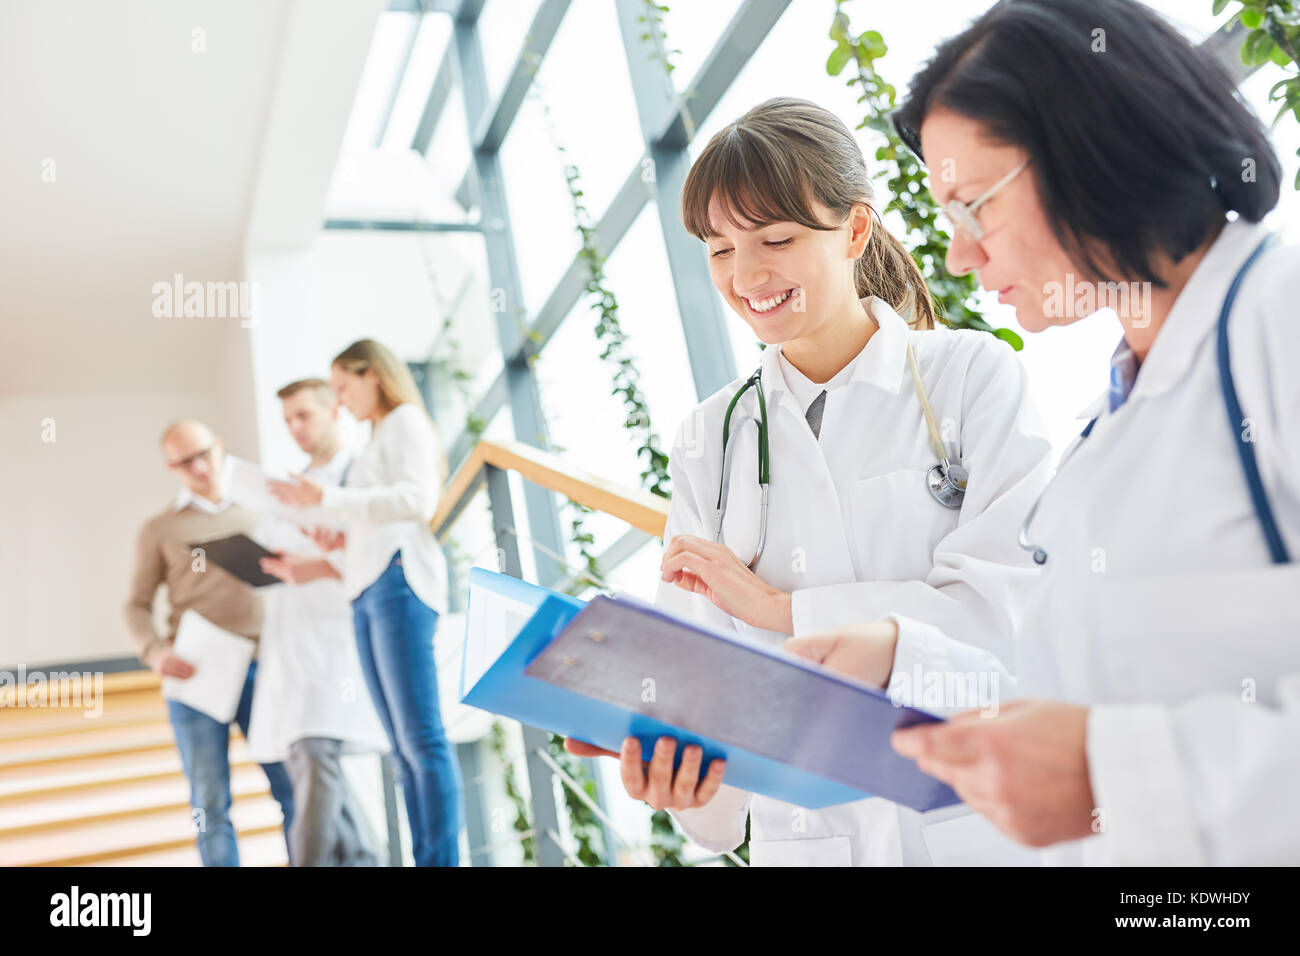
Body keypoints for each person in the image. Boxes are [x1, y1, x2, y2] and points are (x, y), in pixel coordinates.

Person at [800, 0, 1300, 865]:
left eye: (972, 207)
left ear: (1092, 149)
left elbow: (1114, 758)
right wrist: (903, 663)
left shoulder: (1277, 315)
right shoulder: (1112, 426)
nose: (959, 255)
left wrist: (1121, 778)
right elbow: (1074, 706)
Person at [569, 97, 1054, 865]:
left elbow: (1008, 622)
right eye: (719, 248)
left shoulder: (970, 379)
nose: (746, 274)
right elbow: (706, 682)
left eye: (777, 238)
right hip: (809, 839)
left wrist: (780, 608)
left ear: (855, 230)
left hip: (975, 824)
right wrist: (680, 776)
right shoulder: (709, 439)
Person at [268, 340, 463, 867]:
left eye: (342, 388)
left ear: (372, 375)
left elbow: (416, 501)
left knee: (422, 741)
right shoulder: (379, 435)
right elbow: (377, 513)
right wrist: (340, 539)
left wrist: (326, 499)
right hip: (367, 587)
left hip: (398, 582)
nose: (340, 401)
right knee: (403, 750)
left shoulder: (404, 422)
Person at [124, 420, 295, 867]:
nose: (199, 467)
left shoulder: (261, 510)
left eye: (204, 454)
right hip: (196, 673)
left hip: (265, 668)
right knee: (209, 803)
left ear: (219, 448)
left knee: (293, 787)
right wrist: (155, 651)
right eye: (185, 461)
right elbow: (136, 605)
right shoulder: (158, 530)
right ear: (171, 468)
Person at [252, 378, 391, 866]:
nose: (296, 428)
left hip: (338, 635)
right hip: (291, 637)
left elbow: (379, 553)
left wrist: (323, 566)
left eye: (304, 415)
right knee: (308, 759)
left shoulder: (359, 476)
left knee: (315, 752)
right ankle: (368, 859)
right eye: (288, 419)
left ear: (335, 411)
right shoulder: (287, 487)